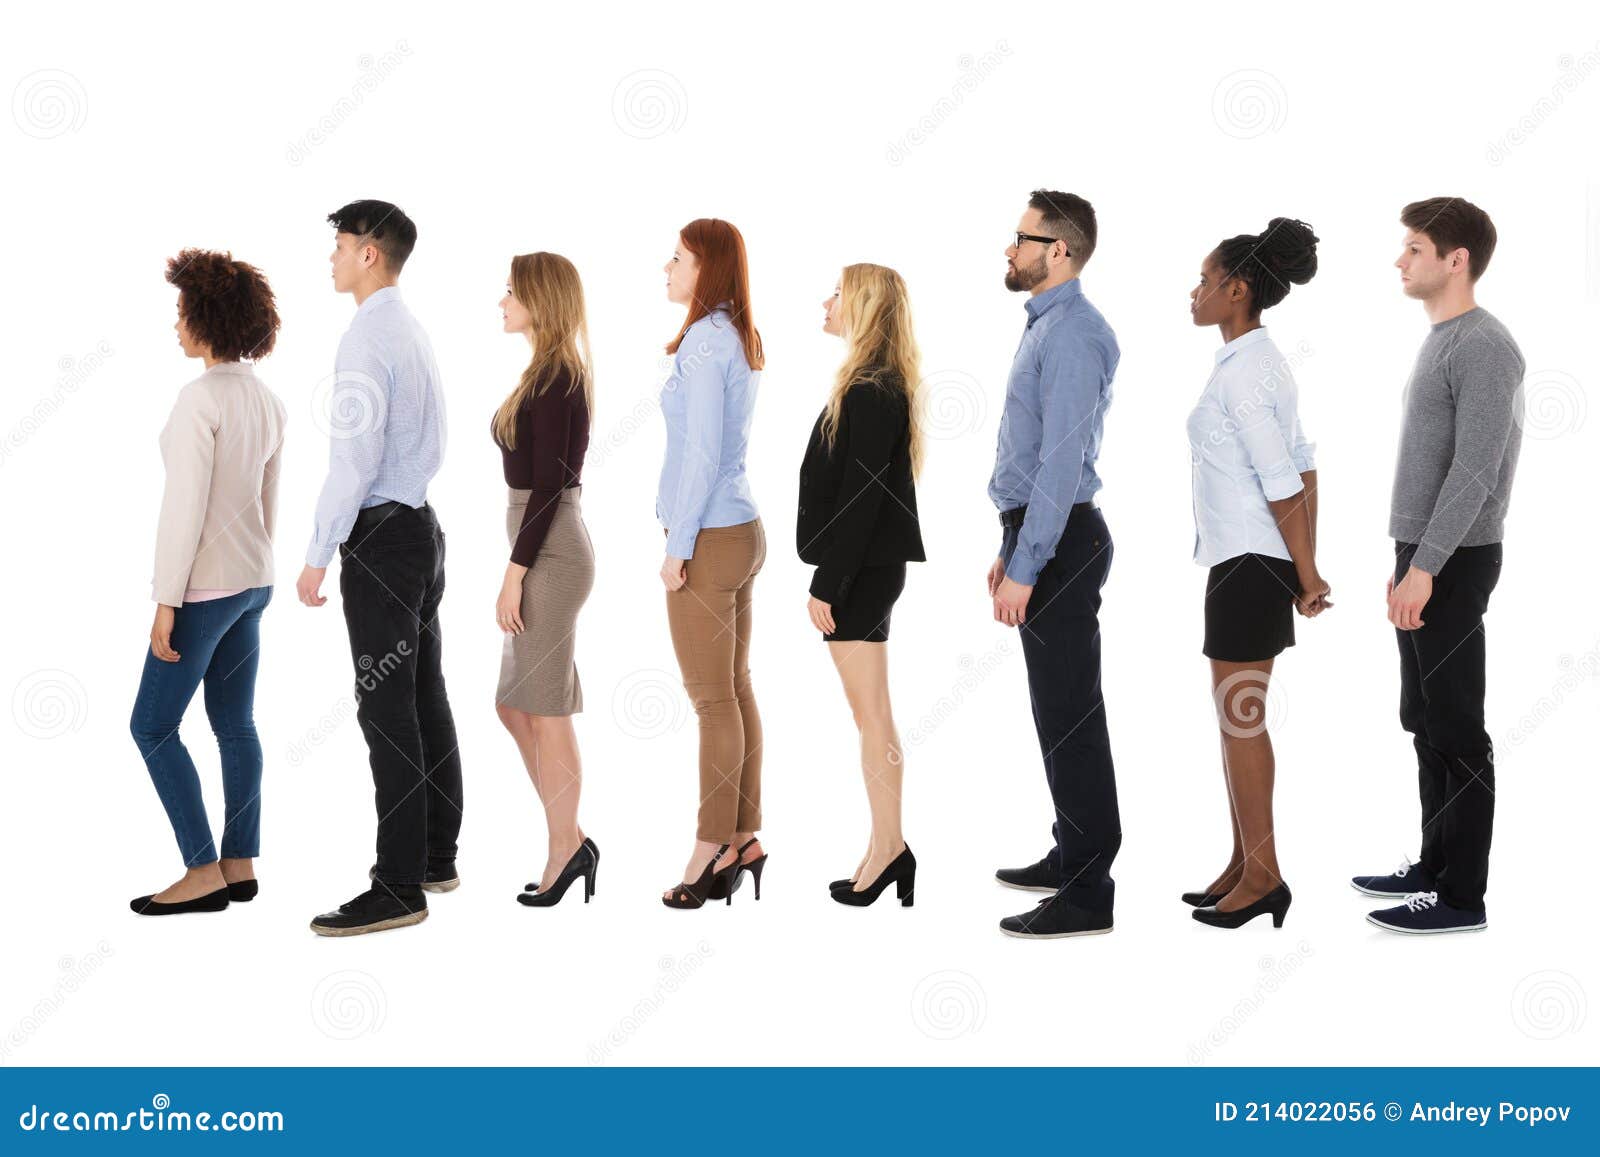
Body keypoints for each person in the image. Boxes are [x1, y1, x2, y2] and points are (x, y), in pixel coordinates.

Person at [1356, 197, 1524, 935]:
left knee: (1458, 727)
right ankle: (1433, 866)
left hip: (1453, 556)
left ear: (1456, 260)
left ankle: (1463, 898)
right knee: (1424, 719)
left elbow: (1475, 473)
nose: (1402, 259)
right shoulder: (1442, 338)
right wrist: (1405, 559)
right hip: (1421, 553)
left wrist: (1426, 564)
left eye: (1415, 248)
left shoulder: (1484, 345)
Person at [298, 199, 464, 937]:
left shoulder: (367, 338)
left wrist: (315, 551)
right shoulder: (412, 328)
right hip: (423, 528)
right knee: (423, 694)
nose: (331, 258)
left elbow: (354, 460)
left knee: (385, 710)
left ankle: (398, 886)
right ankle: (434, 855)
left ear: (371, 253)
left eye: (339, 246)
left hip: (383, 538)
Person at [1182, 218, 1331, 930]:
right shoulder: (1261, 361)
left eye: (1206, 281)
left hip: (1249, 560)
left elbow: (1281, 479)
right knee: (1235, 718)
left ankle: (1265, 873)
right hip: (1246, 559)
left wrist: (1306, 575)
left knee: (1241, 719)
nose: (1195, 291)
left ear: (1237, 289)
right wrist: (1307, 565)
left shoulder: (1245, 371)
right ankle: (1245, 861)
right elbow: (1305, 463)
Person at [130, 249, 286, 916]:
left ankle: (201, 869)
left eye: (181, 312)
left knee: (152, 726)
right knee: (234, 724)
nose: (176, 326)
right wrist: (255, 567)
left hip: (203, 591)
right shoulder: (268, 399)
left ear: (205, 318)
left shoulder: (200, 400)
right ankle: (240, 861)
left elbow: (183, 510)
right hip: (254, 582)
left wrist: (166, 600)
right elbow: (267, 502)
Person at [987, 190, 1122, 940]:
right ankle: (1073, 849)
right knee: (1057, 713)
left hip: (1063, 541)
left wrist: (1029, 559)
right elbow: (1034, 455)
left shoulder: (1072, 334)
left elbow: (1063, 461)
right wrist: (1010, 550)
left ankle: (1088, 889)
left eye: (1021, 237)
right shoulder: (1047, 325)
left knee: (1072, 719)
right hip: (1043, 537)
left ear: (1059, 250)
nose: (1009, 249)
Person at [800, 264, 926, 908]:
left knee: (872, 715)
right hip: (866, 566)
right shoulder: (871, 380)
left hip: (863, 570)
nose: (826, 302)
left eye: (838, 294)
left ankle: (888, 849)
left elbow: (864, 496)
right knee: (869, 714)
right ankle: (886, 847)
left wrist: (829, 580)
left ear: (865, 306)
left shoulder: (874, 387)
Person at [655, 218, 767, 909]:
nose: (665, 267)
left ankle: (709, 849)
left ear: (707, 270)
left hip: (711, 537)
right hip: (742, 528)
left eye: (677, 258)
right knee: (736, 690)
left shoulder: (703, 340)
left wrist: (677, 545)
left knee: (713, 700)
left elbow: (697, 453)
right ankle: (743, 835)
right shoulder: (736, 335)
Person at [489, 252, 600, 908]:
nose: (501, 300)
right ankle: (573, 836)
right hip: (539, 547)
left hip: (552, 554)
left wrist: (514, 574)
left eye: (510, 291)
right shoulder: (542, 370)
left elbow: (551, 486)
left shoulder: (560, 374)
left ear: (540, 298)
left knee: (547, 708)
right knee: (513, 704)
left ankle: (564, 849)